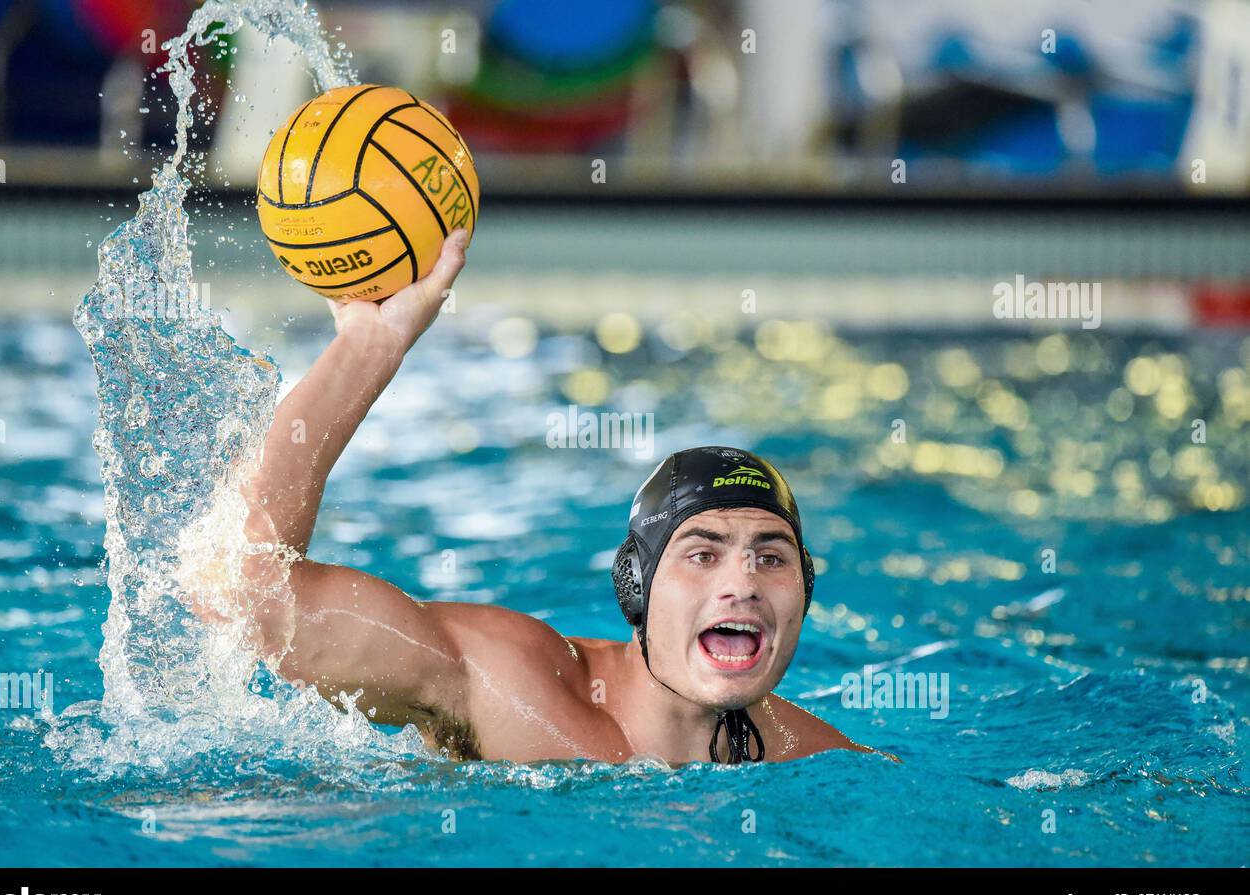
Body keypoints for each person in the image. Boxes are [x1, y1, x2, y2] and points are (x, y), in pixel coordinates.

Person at [237, 228, 887, 765]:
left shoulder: (820, 759)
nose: (743, 582)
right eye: (702, 553)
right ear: (635, 585)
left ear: (804, 588)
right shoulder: (507, 685)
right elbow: (246, 590)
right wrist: (366, 349)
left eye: (771, 557)